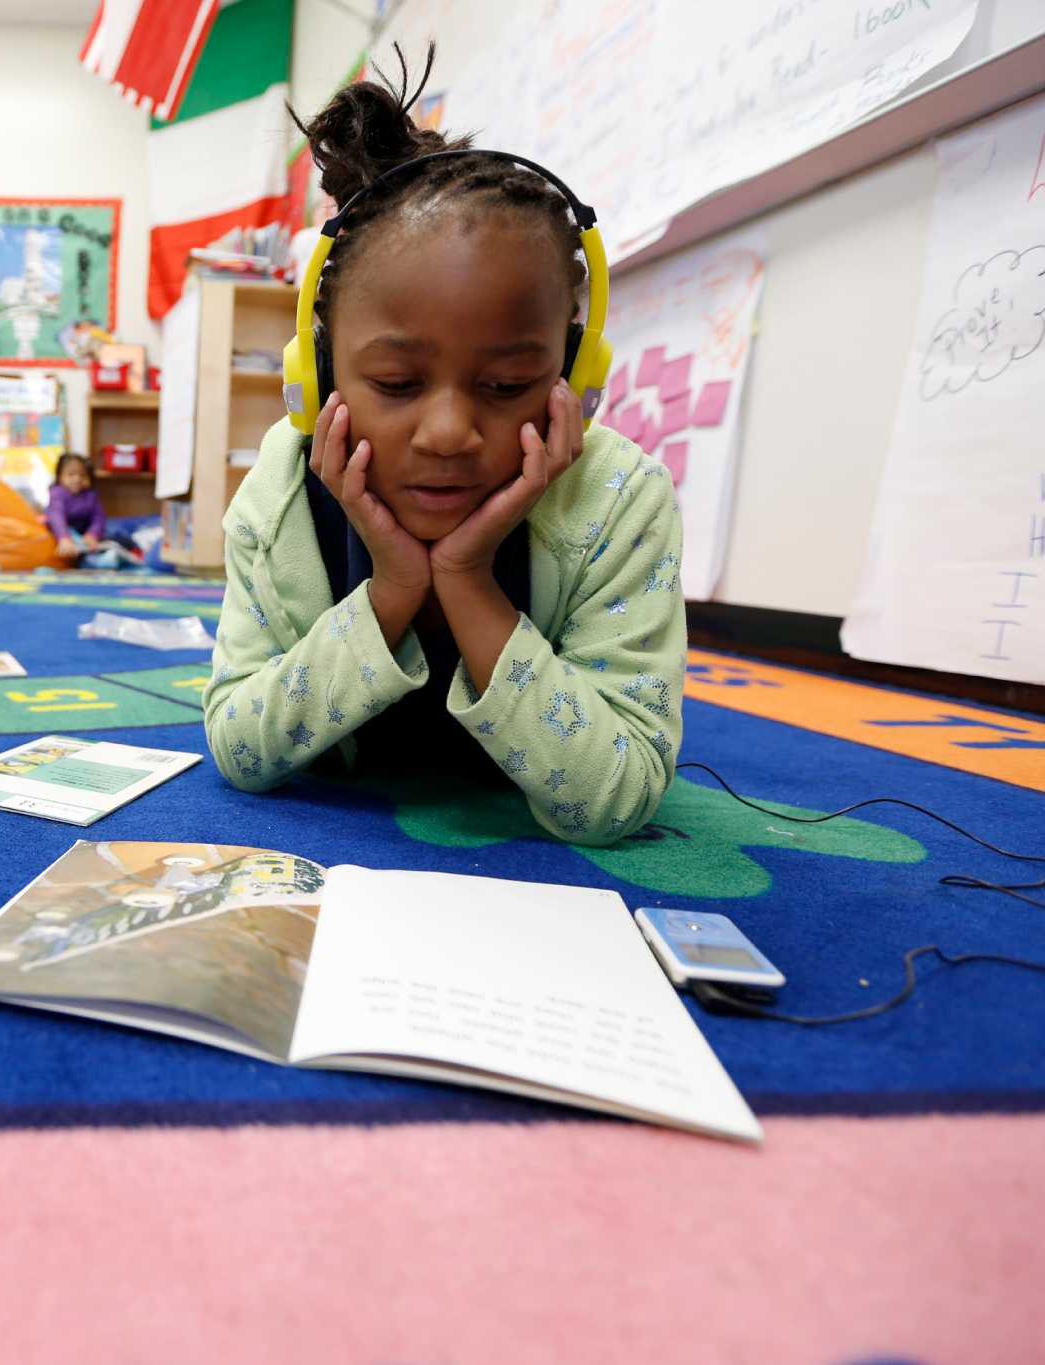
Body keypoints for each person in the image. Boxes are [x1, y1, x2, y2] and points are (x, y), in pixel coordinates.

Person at [201, 48, 686, 847]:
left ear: (574, 372)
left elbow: (616, 796)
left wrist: (465, 579)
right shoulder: (282, 497)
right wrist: (391, 588)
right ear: (320, 376)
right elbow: (241, 747)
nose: (450, 434)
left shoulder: (617, 501)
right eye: (396, 382)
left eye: (505, 386)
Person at [46, 452, 106, 560]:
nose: (77, 479)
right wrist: (64, 538)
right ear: (59, 477)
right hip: (64, 532)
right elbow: (56, 516)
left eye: (82, 475)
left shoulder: (90, 495)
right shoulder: (57, 493)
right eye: (71, 474)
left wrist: (93, 534)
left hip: (84, 534)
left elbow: (98, 517)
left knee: (113, 532)